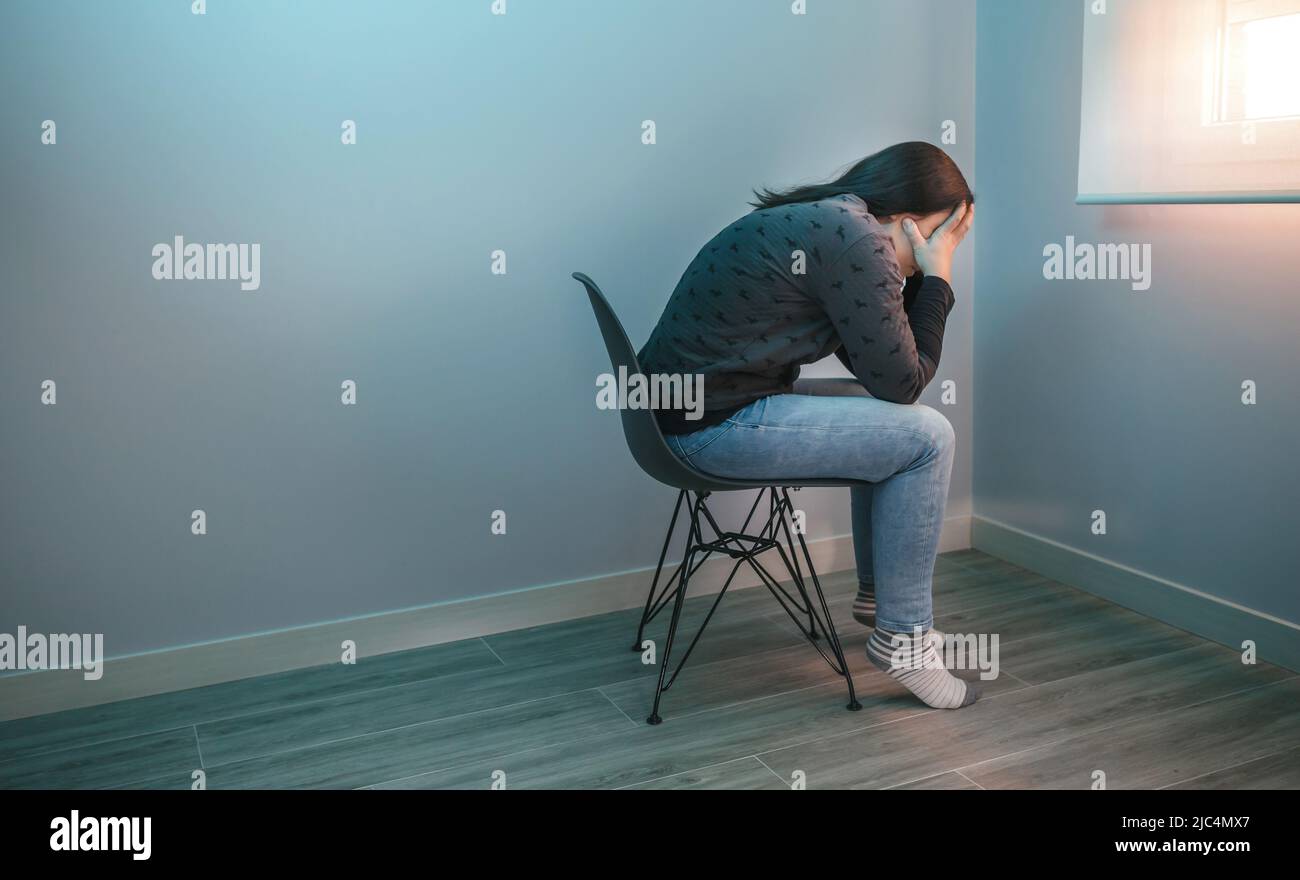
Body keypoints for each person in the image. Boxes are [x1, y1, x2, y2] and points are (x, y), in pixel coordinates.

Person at [638, 141, 977, 708]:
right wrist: (937, 278)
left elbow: (885, 375)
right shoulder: (856, 240)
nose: (943, 248)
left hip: (680, 414)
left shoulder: (834, 223)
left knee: (901, 427)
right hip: (708, 429)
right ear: (912, 223)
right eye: (944, 234)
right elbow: (905, 381)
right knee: (928, 436)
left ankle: (881, 603)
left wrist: (917, 276)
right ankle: (905, 639)